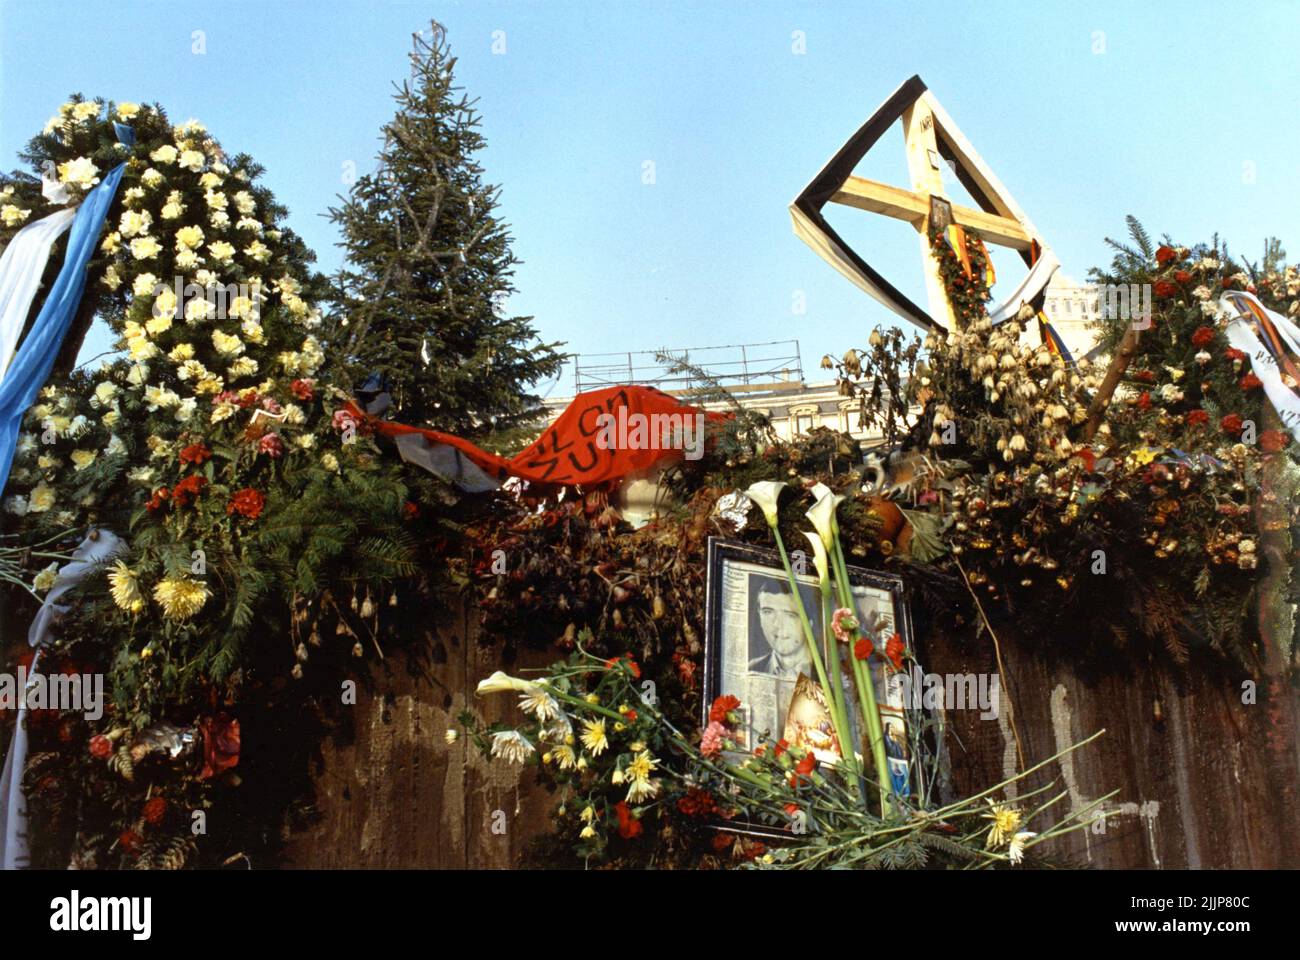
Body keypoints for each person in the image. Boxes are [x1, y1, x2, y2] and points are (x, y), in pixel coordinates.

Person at [748, 578, 812, 679]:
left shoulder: (829, 673)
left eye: (789, 615)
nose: (777, 624)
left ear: (809, 623)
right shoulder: (751, 668)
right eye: (768, 612)